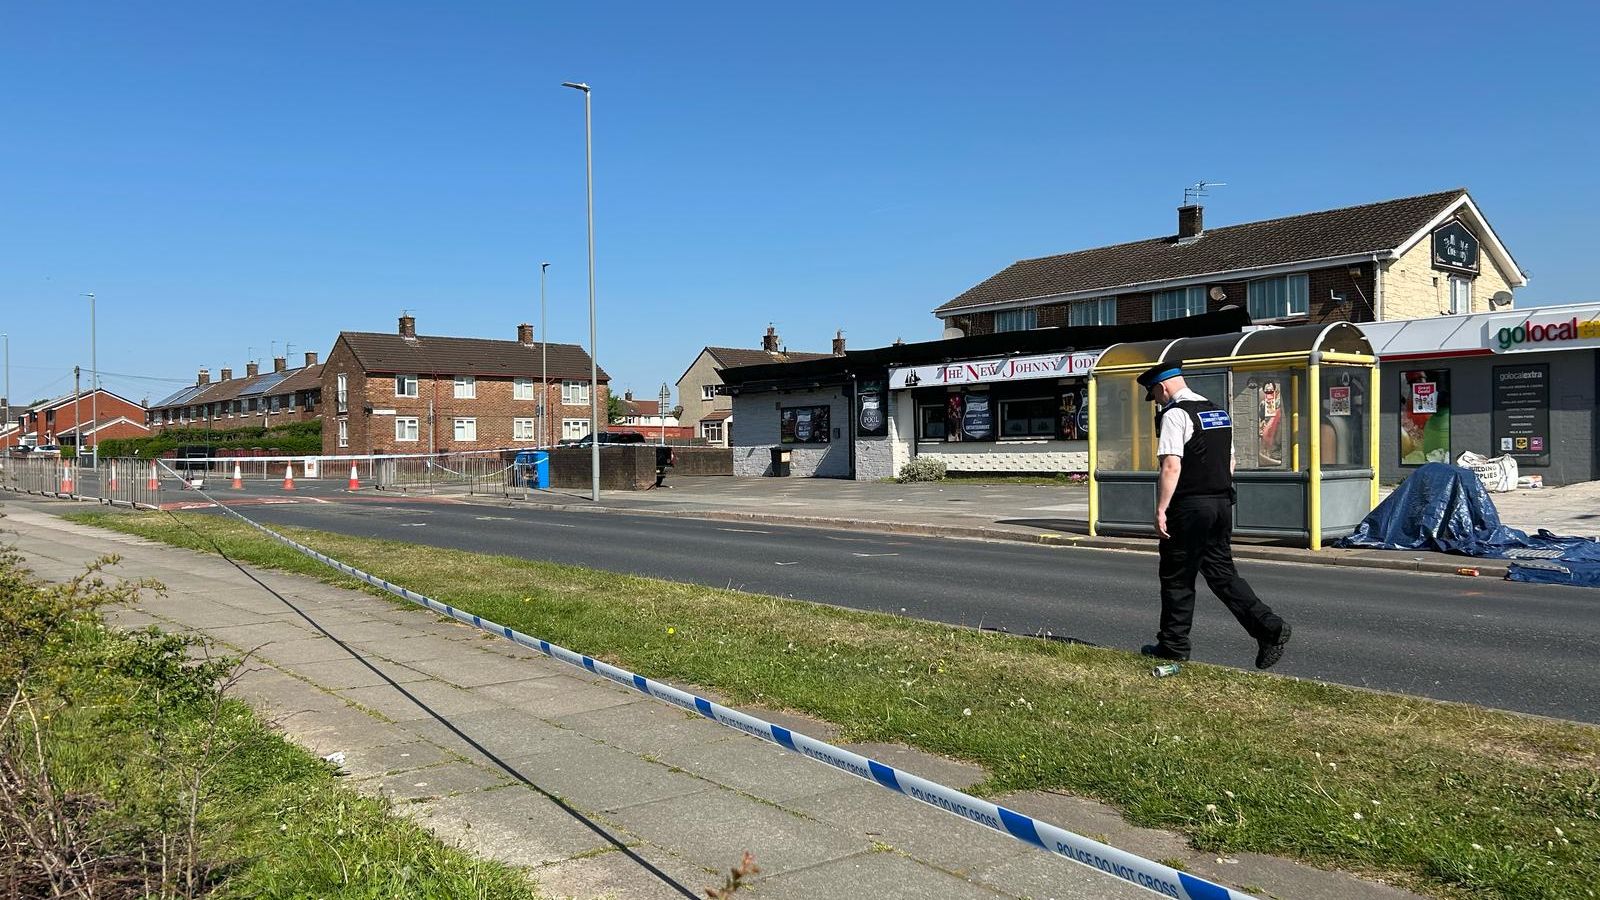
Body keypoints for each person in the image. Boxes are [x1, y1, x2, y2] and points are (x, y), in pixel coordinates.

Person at [1135, 360, 1292, 669]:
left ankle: (1173, 647)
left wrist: (1162, 508)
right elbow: (1230, 462)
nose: (1157, 401)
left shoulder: (1175, 414)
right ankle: (1269, 628)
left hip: (1189, 507)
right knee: (1222, 575)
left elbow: (1171, 465)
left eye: (1155, 395)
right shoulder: (1218, 412)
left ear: (1162, 387)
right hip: (1220, 504)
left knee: (1177, 578)